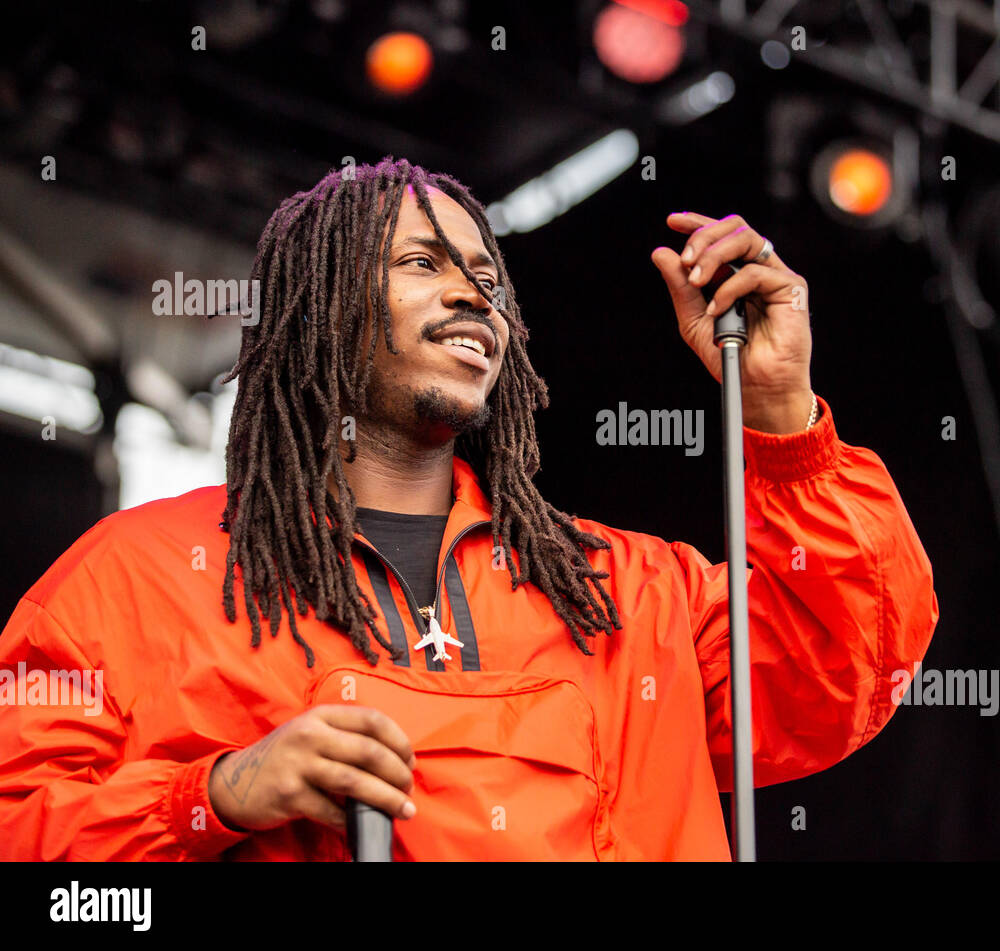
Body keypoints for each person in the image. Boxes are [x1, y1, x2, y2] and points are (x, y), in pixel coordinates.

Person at [0, 157, 938, 860]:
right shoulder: (137, 575)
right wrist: (211, 797)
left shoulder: (633, 591)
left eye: (486, 277)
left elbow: (851, 668)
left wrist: (780, 411)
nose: (470, 295)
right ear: (320, 307)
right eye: (421, 262)